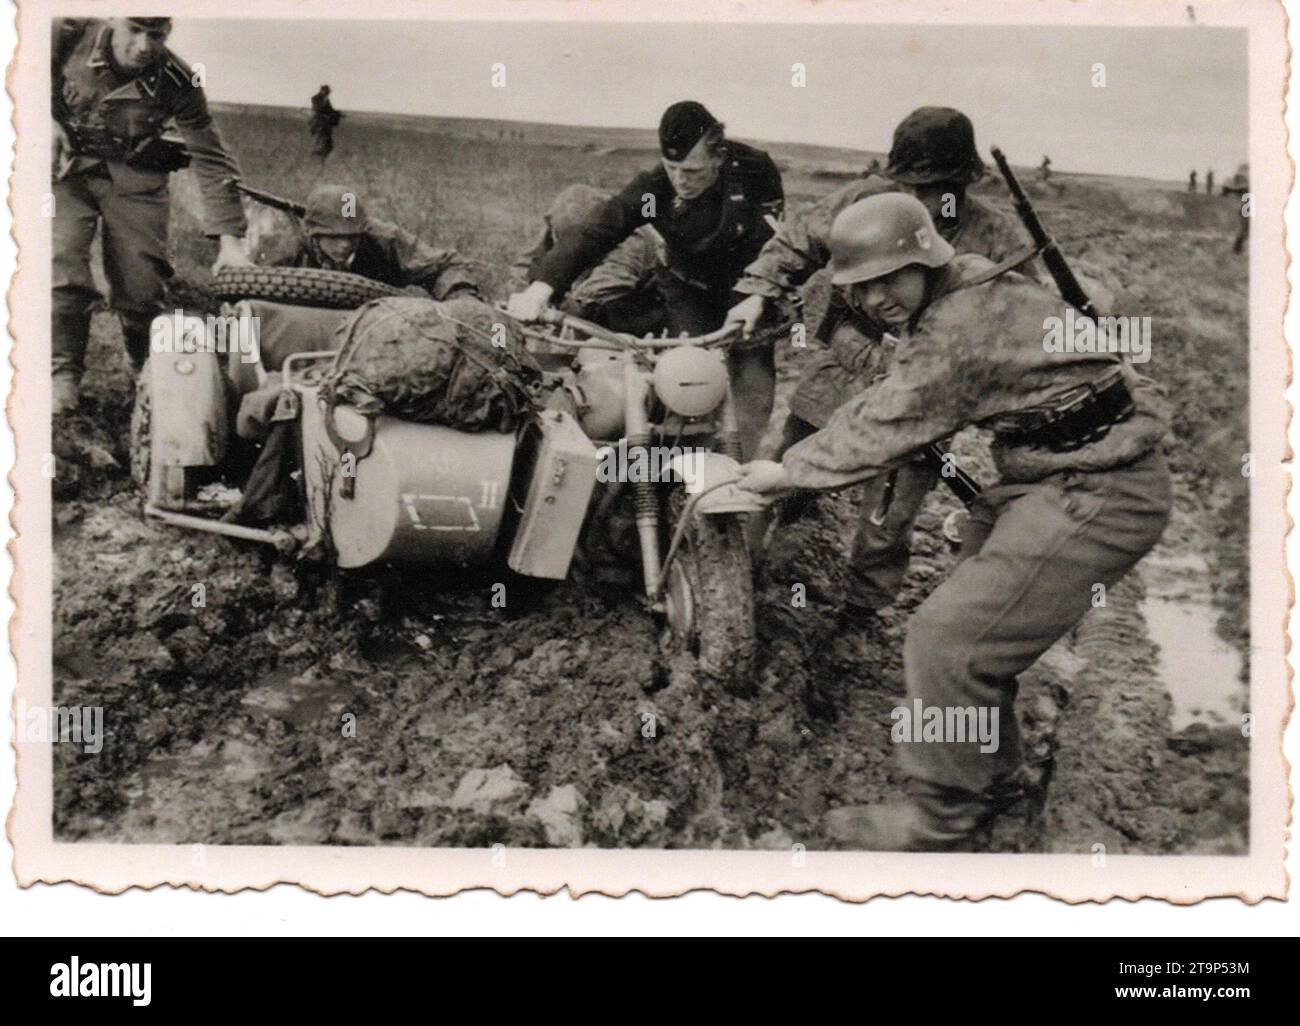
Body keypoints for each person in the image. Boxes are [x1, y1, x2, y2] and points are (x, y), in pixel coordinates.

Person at [735, 194, 1171, 850]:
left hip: (1102, 491)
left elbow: (888, 422)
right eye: (862, 286)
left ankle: (941, 821)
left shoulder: (957, 325)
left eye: (890, 278)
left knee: (946, 641)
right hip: (1051, 472)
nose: (877, 298)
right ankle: (992, 776)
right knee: (976, 618)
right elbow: (893, 394)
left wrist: (787, 471)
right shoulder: (963, 282)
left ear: (925, 259)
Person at [727, 106, 1039, 616]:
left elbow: (1023, 319)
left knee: (890, 513)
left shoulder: (996, 237)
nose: (918, 200)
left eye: (934, 189)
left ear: (962, 182)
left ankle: (861, 610)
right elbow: (797, 240)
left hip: (925, 385)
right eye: (908, 186)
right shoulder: (863, 201)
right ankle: (743, 575)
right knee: (790, 469)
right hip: (847, 356)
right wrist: (758, 292)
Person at [506, 100, 785, 458]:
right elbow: (600, 229)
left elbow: (773, 245)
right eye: (672, 167)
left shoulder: (754, 170)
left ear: (718, 156)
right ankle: (681, 466)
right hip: (689, 290)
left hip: (750, 290)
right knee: (686, 382)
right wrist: (541, 289)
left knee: (751, 387)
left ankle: (736, 470)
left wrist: (757, 295)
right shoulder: (655, 190)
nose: (680, 180)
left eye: (692, 171)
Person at [51, 15, 251, 414]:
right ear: (115, 18)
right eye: (135, 30)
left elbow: (211, 157)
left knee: (142, 286)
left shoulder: (179, 79)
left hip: (136, 180)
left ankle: (143, 368)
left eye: (156, 35)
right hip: (65, 172)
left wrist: (230, 242)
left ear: (169, 31)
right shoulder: (65, 36)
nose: (143, 46)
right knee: (62, 267)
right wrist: (45, 118)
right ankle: (62, 375)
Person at [274, 183, 483, 300]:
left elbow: (443, 265)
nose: (345, 245)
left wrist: (461, 297)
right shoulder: (289, 249)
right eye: (335, 236)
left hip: (370, 332)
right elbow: (257, 301)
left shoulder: (382, 239)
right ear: (313, 233)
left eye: (352, 236)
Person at [508, 184, 668, 337]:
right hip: (591, 289)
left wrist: (567, 306)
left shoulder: (631, 234)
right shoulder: (559, 219)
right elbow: (526, 266)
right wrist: (526, 295)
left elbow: (609, 282)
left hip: (637, 304)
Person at [310, 85, 341, 159]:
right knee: (320, 137)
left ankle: (322, 154)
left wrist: (337, 113)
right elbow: (318, 109)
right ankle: (317, 153)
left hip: (325, 121)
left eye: (328, 92)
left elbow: (330, 109)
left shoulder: (326, 99)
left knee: (328, 141)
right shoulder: (315, 98)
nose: (328, 93)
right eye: (327, 92)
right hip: (319, 120)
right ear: (322, 90)